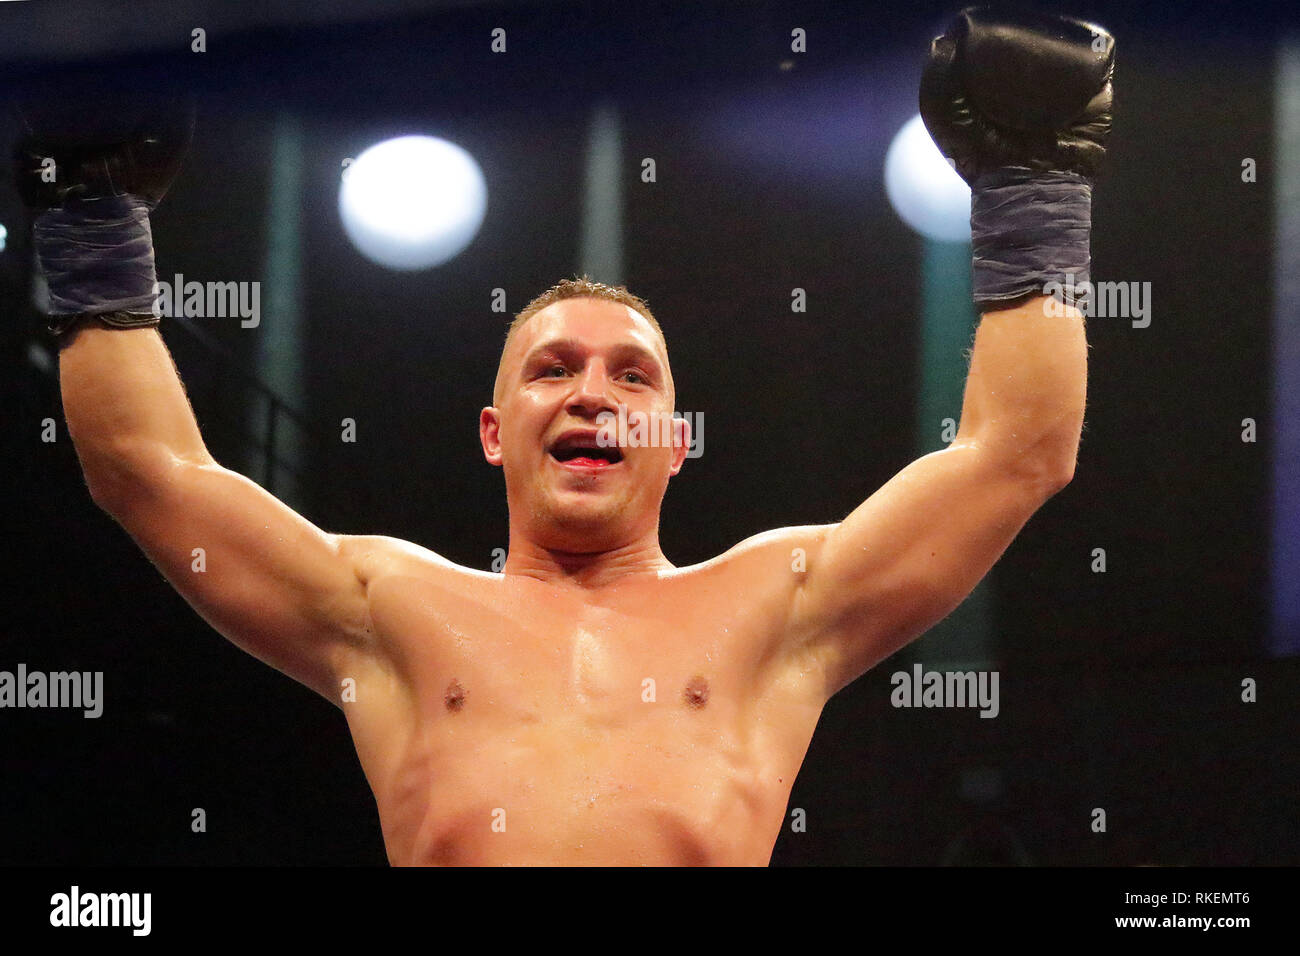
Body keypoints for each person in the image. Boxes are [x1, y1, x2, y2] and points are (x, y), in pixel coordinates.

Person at [19, 8, 1111, 865]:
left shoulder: (779, 604)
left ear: (674, 438)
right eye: (554, 369)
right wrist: (94, 225)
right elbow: (147, 473)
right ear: (496, 433)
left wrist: (1036, 181)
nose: (591, 393)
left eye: (629, 374)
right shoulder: (390, 608)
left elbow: (1019, 450)